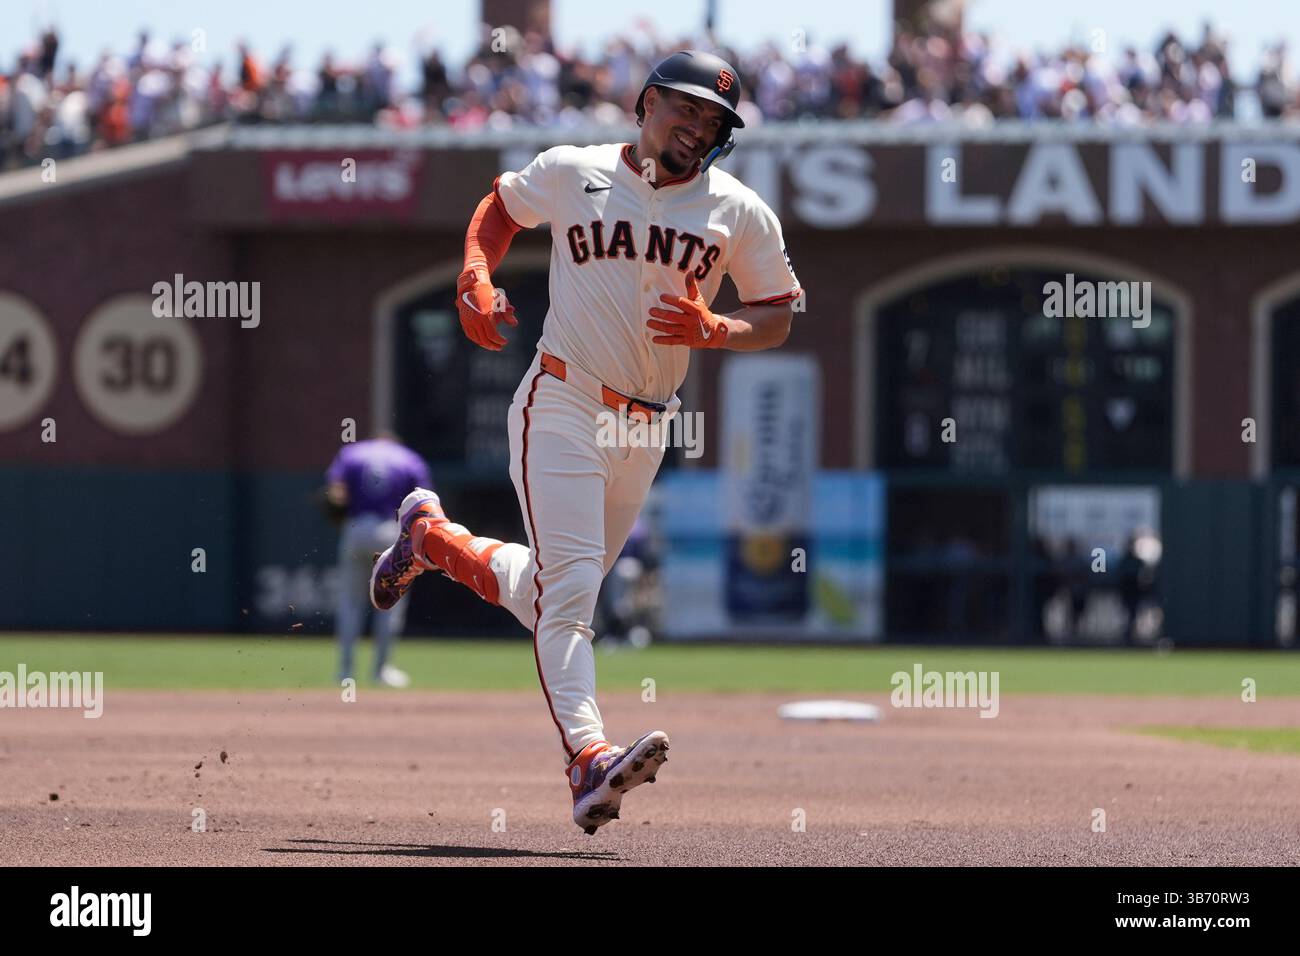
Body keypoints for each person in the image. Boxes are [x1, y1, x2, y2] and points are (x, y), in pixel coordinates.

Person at [370, 51, 801, 834]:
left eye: (714, 121)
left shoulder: (738, 210)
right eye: (687, 108)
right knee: (570, 597)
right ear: (646, 103)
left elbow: (775, 315)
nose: (698, 126)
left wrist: (721, 329)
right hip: (562, 398)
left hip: (645, 424)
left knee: (546, 595)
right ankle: (588, 759)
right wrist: (474, 273)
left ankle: (432, 539)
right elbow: (500, 206)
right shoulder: (576, 170)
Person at [326, 430, 430, 687]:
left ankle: (345, 672)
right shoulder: (409, 458)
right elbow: (425, 503)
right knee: (388, 605)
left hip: (356, 529)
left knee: (350, 604)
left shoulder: (351, 453)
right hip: (389, 532)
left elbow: (335, 493)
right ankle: (380, 671)